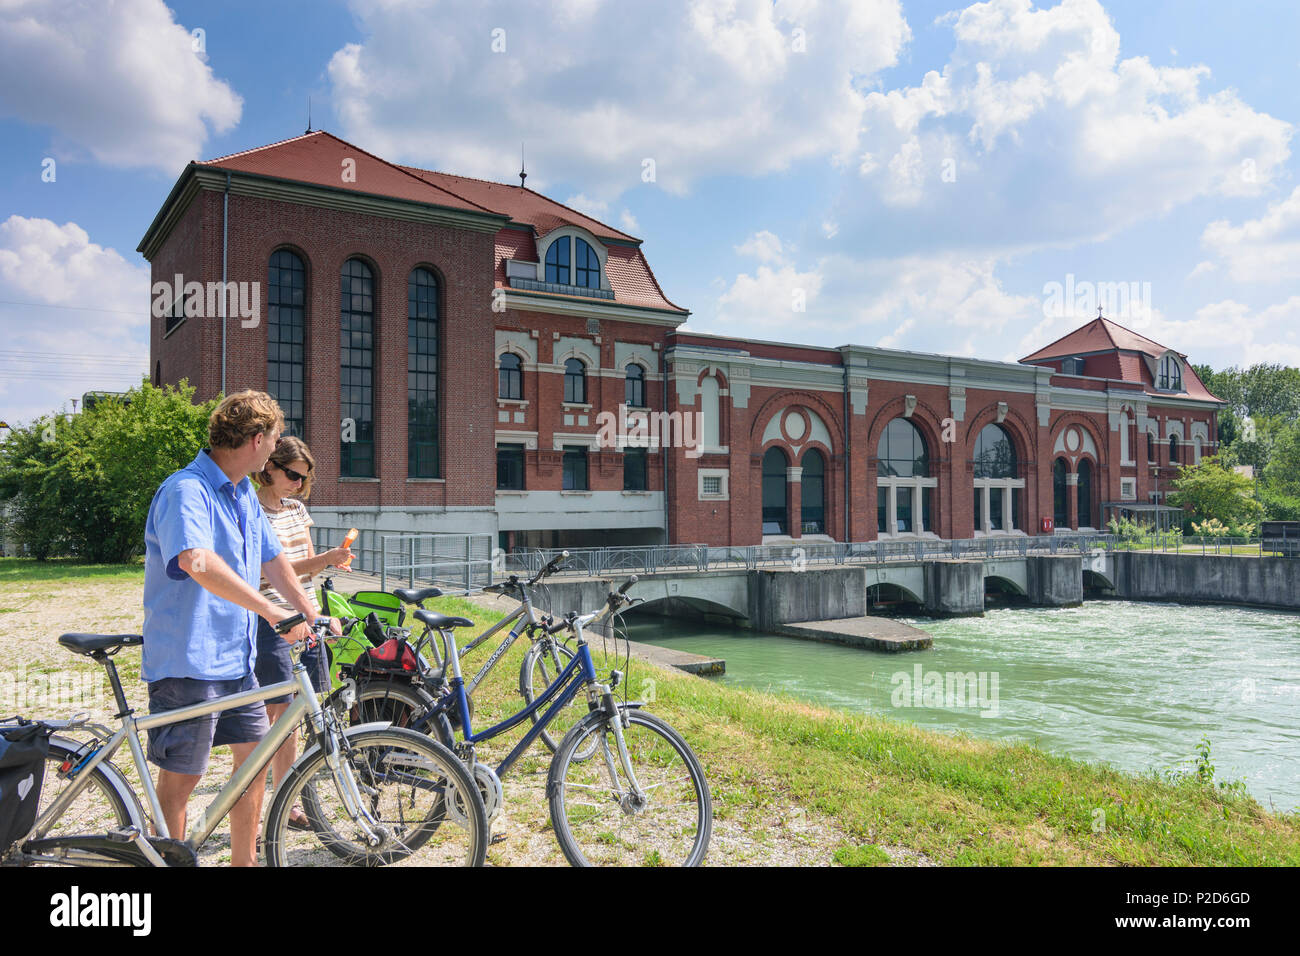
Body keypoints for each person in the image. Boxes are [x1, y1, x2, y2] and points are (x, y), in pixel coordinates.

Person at [141, 390, 332, 867]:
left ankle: (243, 864)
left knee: (252, 769)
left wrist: (307, 609)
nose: (275, 452)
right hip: (188, 661)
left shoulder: (244, 492)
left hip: (237, 659)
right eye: (273, 441)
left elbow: (274, 560)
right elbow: (198, 561)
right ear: (254, 439)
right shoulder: (186, 490)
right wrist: (272, 614)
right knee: (181, 779)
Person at [252, 436, 352, 828]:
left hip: (303, 619)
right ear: (269, 467)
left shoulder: (296, 509)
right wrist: (323, 559)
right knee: (272, 715)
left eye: (304, 479)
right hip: (271, 620)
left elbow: (305, 567)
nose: (298, 484)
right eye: (293, 475)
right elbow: (267, 572)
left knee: (294, 715)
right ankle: (259, 805)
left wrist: (329, 563)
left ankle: (285, 799)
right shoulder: (252, 509)